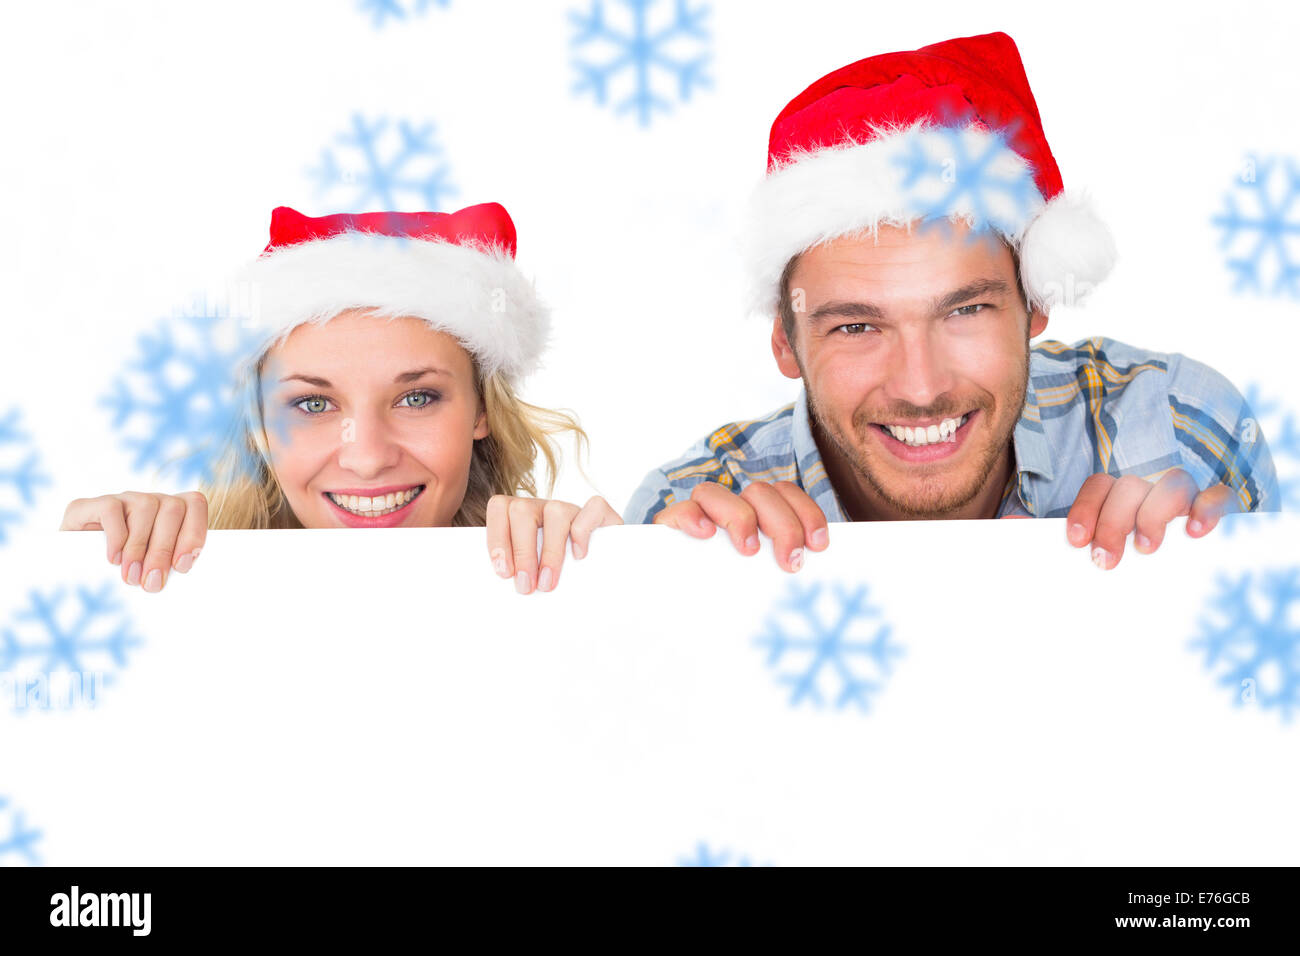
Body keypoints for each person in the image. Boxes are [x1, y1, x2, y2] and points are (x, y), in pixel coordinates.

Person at [626, 31, 1280, 572]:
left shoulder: (1181, 430)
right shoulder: (689, 519)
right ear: (784, 341)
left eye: (964, 311)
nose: (920, 388)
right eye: (857, 326)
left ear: (1035, 303)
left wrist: (1204, 586)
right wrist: (698, 601)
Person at [61, 203, 621, 594]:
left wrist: (624, 580)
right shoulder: (182, 585)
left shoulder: (563, 577)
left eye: (418, 397)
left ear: (481, 412)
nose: (367, 456)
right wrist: (82, 570)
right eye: (313, 404)